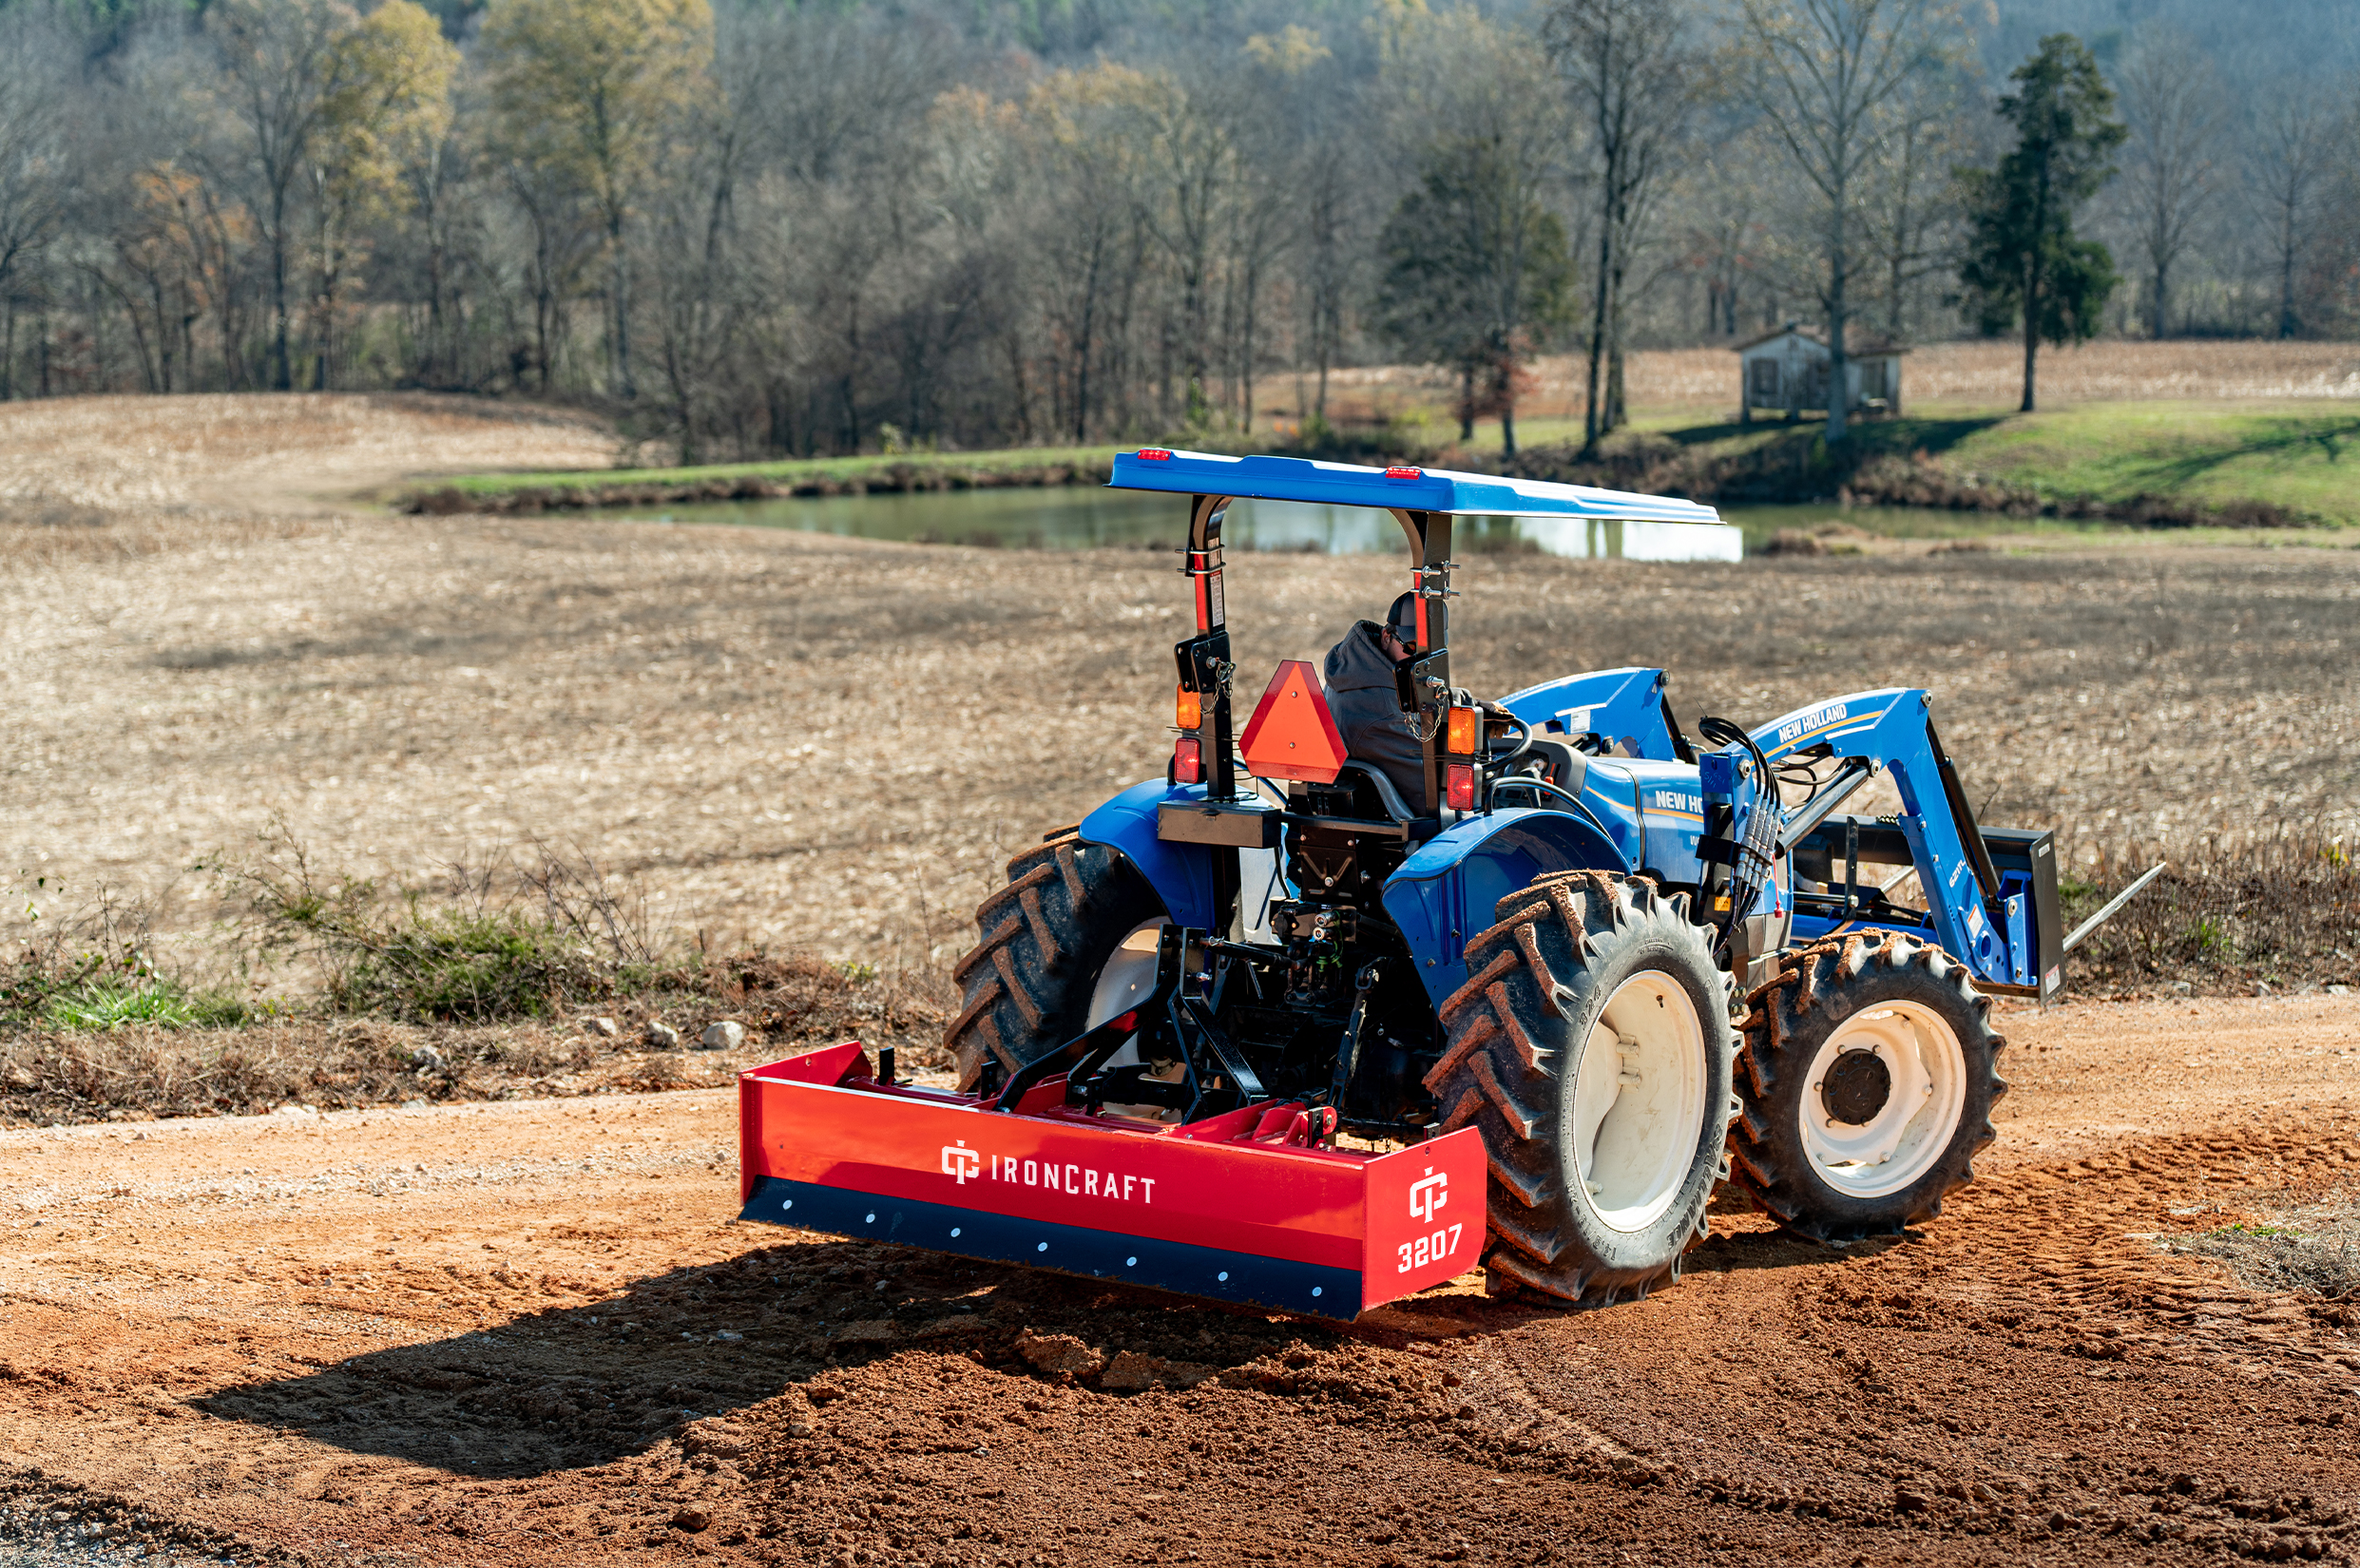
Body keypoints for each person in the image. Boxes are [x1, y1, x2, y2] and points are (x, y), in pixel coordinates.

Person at [1322, 591, 1446, 811]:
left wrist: (1469, 703)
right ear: (1386, 636)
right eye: (1411, 647)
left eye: (1431, 652)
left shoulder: (1355, 671)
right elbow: (1430, 792)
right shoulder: (1384, 712)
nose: (1421, 660)